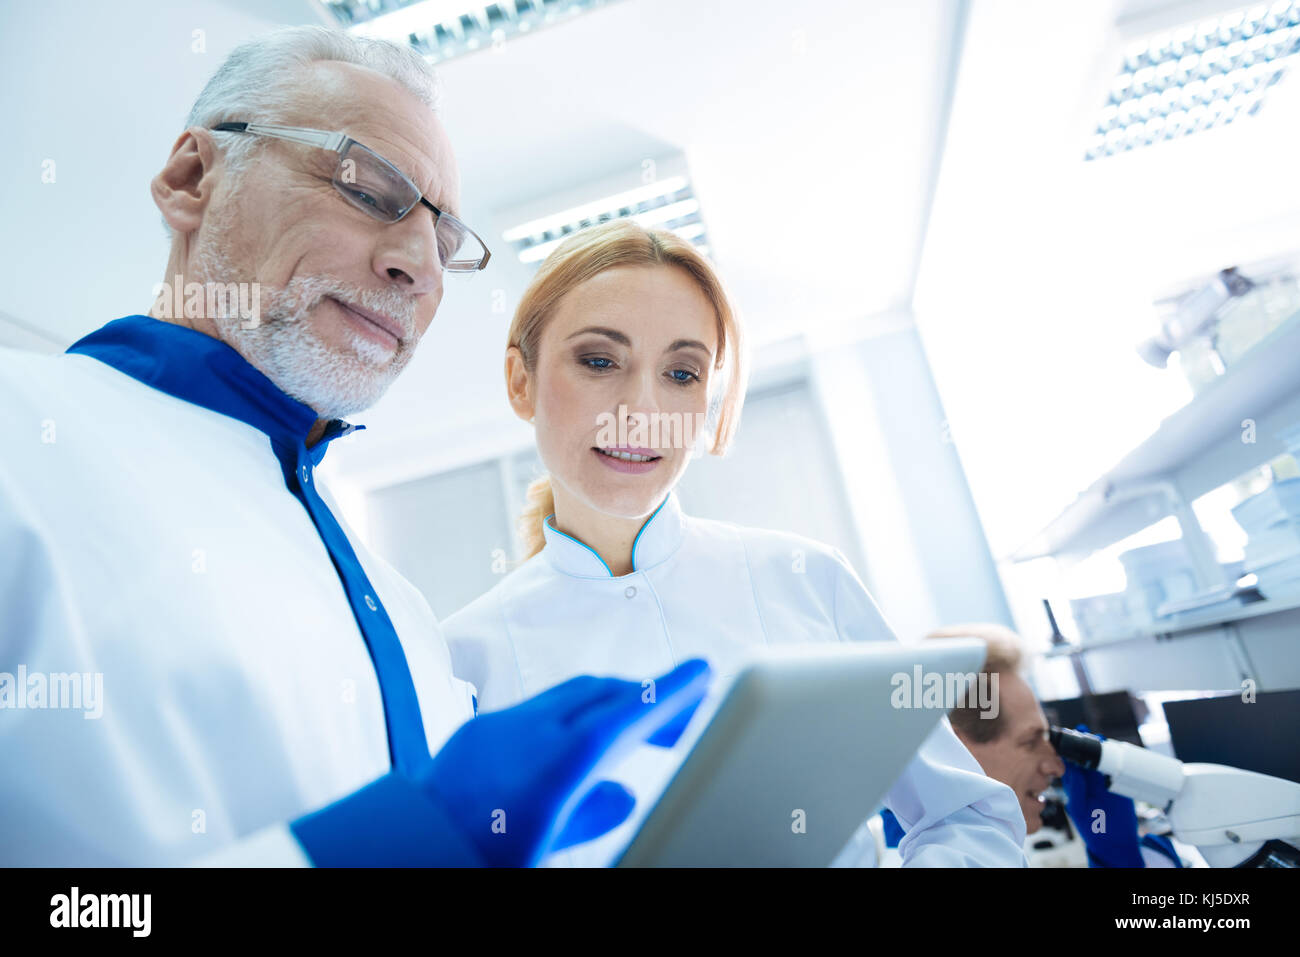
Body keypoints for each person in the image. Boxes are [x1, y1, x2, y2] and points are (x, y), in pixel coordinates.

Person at [0, 25, 710, 867]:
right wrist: (391, 844)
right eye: (369, 189)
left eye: (446, 243)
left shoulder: (401, 611)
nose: (420, 263)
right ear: (193, 179)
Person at [441, 219, 1029, 867]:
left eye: (683, 372)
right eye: (600, 361)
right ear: (520, 382)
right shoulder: (462, 657)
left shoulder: (807, 581)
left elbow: (968, 817)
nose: (643, 409)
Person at [875, 624, 1182, 867]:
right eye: (1030, 740)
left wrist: (1109, 845)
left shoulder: (977, 852)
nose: (1056, 766)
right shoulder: (954, 859)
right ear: (954, 750)